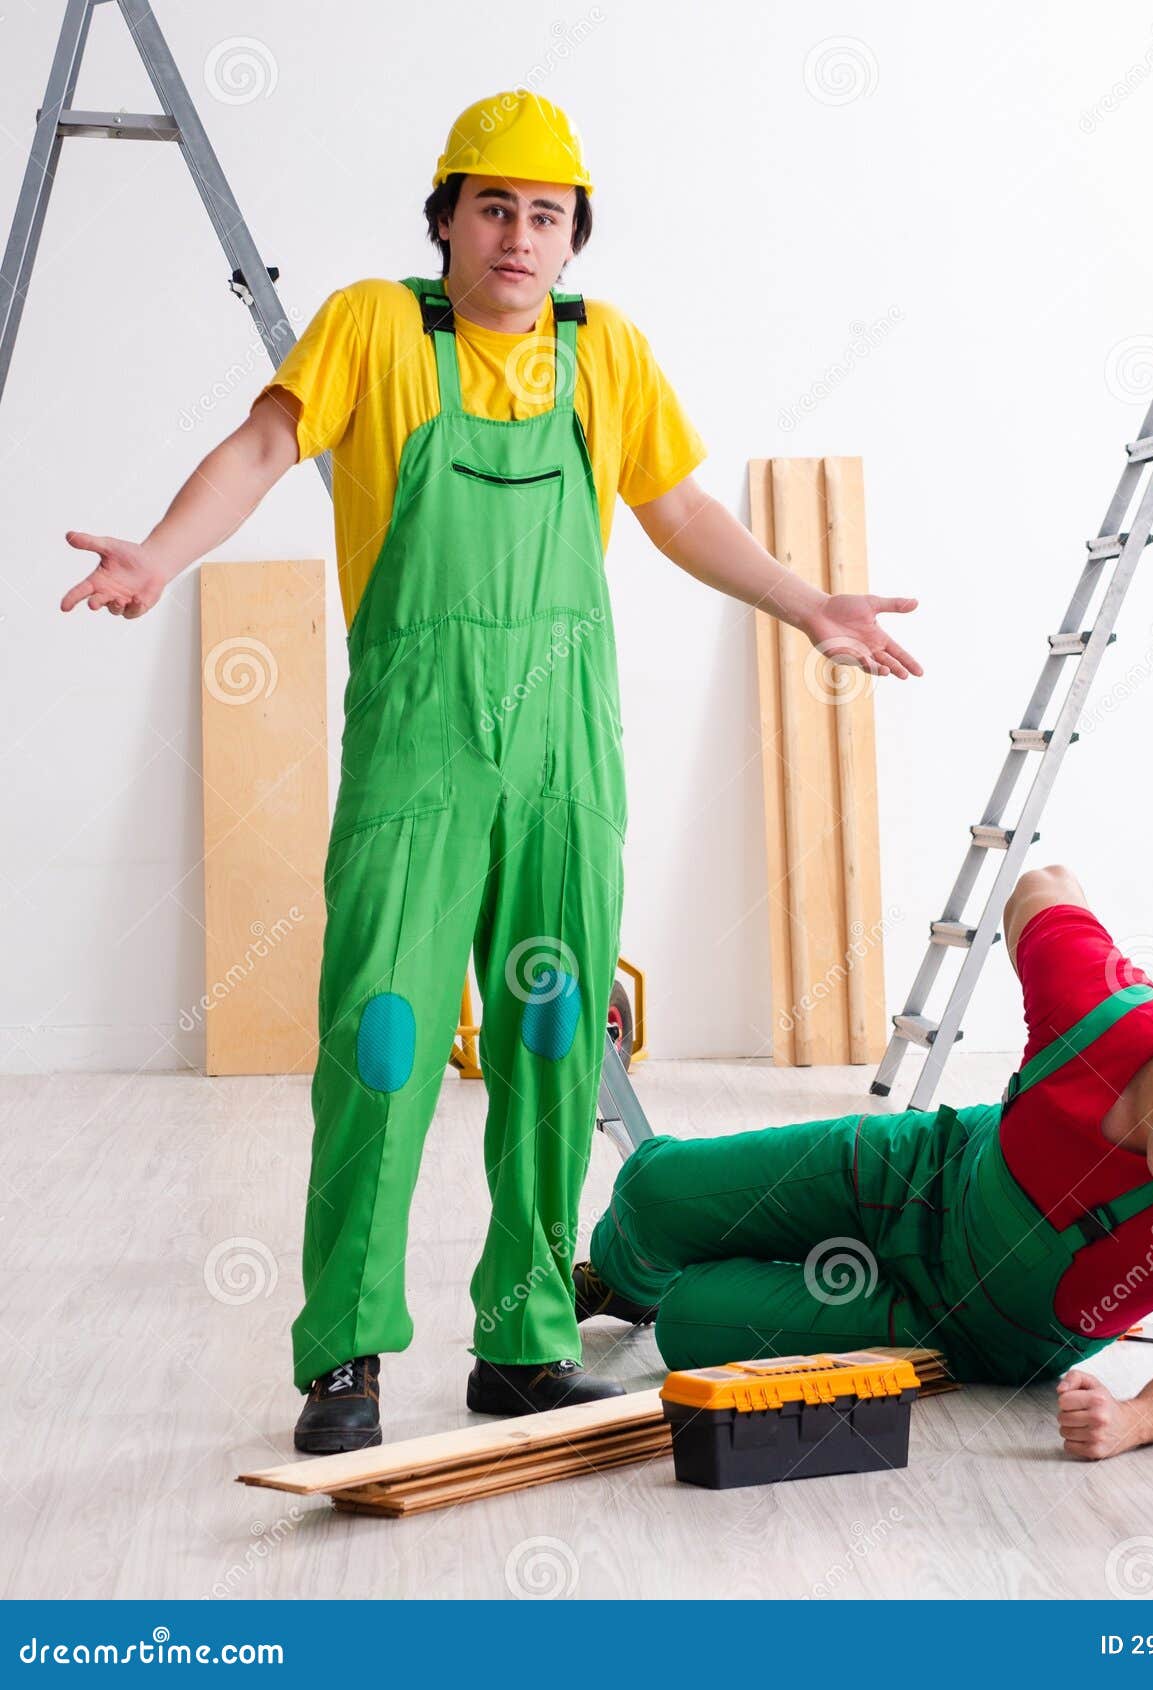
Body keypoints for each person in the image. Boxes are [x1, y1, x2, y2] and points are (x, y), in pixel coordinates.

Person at [58, 90, 922, 1452]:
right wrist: (164, 554)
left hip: (565, 755)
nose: (520, 237)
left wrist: (805, 601)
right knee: (384, 1041)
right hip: (419, 752)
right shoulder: (374, 330)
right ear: (447, 218)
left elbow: (679, 505)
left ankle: (523, 1342)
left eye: (547, 214)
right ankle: (344, 1353)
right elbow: (269, 444)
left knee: (553, 1041)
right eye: (495, 207)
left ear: (574, 237)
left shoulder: (606, 354)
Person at [574, 863, 1153, 1461]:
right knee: (650, 1189)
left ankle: (663, 1293)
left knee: (691, 1323)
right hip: (912, 1173)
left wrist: (1133, 1421)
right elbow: (1042, 882)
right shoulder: (1100, 1011)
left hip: (951, 1327)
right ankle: (620, 1281)